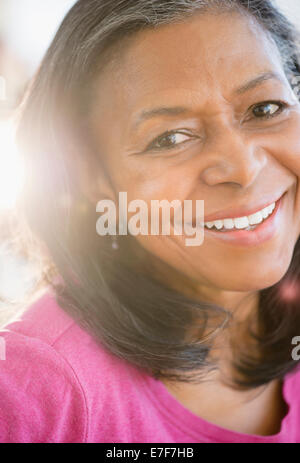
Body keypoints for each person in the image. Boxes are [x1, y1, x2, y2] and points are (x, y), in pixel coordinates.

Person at [1, 0, 300, 443]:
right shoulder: (33, 388)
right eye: (170, 138)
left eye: (264, 109)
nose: (242, 166)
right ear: (92, 176)